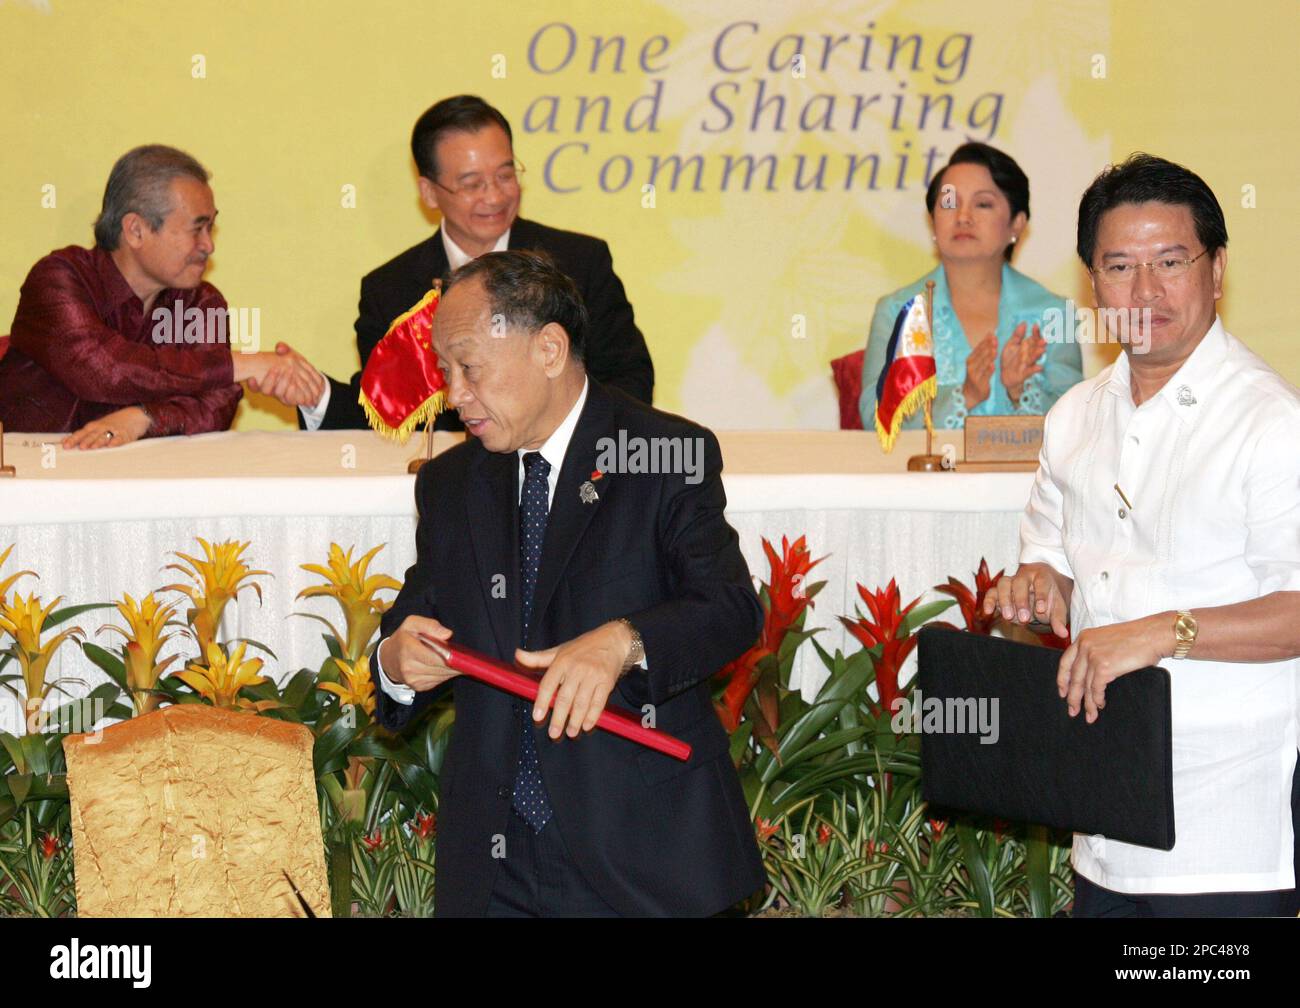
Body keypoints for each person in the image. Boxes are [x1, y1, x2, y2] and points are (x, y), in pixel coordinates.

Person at [370, 250, 764, 916]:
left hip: (638, 849)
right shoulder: (451, 483)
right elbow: (416, 618)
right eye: (445, 371)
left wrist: (624, 641)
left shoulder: (663, 454)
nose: (454, 394)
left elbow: (728, 609)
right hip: (495, 862)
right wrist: (394, 661)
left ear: (549, 349)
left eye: (469, 367)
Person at [986, 153, 1300, 917]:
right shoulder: (1074, 417)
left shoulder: (1271, 423)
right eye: (1120, 266)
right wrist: (1037, 588)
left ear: (1216, 269)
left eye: (1171, 262)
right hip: (1105, 815)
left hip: (1230, 831)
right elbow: (1052, 566)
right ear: (1093, 283)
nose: (1146, 291)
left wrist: (1163, 632)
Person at [290, 95, 654, 432]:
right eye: (471, 183)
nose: (494, 195)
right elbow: (384, 411)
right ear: (429, 192)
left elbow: (629, 379)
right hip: (455, 486)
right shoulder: (391, 289)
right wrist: (314, 395)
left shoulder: (579, 263)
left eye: (505, 175)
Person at [0, 145, 323, 448]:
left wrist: (143, 418)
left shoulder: (200, 302)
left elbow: (216, 404)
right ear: (136, 231)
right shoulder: (59, 278)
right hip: (37, 483)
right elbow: (105, 369)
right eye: (197, 229)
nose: (209, 245)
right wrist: (241, 363)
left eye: (211, 227)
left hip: (146, 486)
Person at [859, 142, 1083, 431]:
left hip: (1025, 478)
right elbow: (876, 417)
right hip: (927, 477)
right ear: (933, 221)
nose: (963, 217)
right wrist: (964, 396)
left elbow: (1079, 422)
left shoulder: (1053, 312)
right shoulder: (898, 311)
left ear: (1016, 224)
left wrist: (1020, 392)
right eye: (949, 203)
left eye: (983, 204)